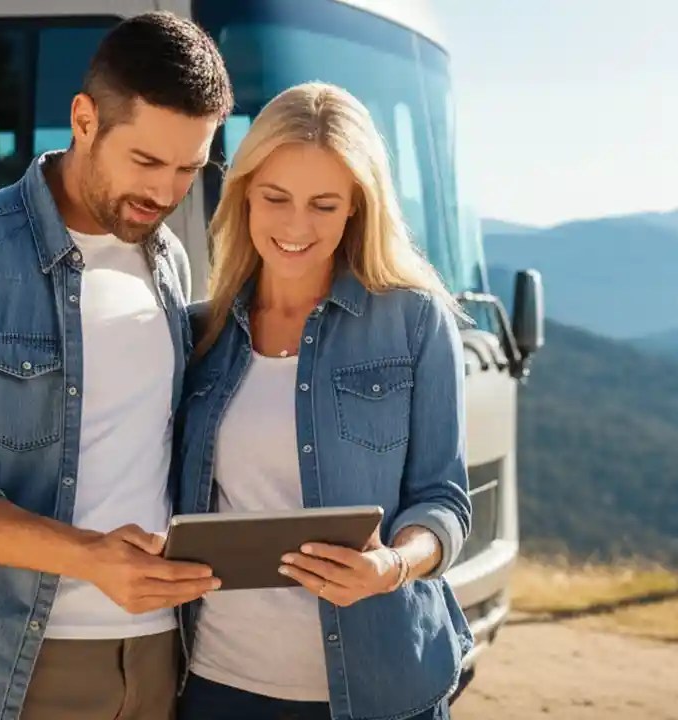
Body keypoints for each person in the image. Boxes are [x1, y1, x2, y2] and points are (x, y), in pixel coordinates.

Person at [0, 13, 232, 720]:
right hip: (5, 663)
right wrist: (90, 556)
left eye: (189, 168)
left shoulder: (167, 260)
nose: (165, 193)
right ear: (84, 119)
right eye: (147, 162)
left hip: (155, 653)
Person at [172, 82, 474, 720]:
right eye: (275, 198)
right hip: (219, 685)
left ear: (355, 210)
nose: (295, 227)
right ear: (244, 194)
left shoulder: (416, 322)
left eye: (324, 204)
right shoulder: (200, 334)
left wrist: (392, 564)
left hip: (380, 690)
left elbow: (444, 500)